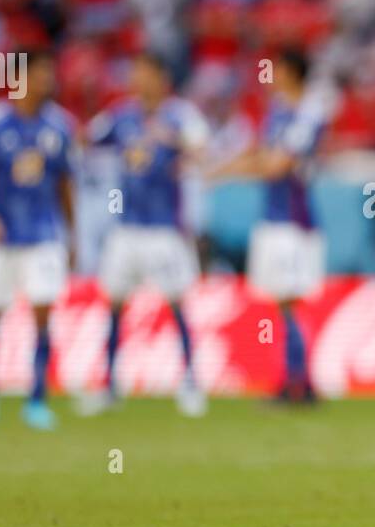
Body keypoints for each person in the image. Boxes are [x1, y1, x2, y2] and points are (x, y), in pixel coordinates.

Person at [81, 53, 208, 416]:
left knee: (177, 302)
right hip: (126, 227)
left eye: (142, 72)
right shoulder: (121, 115)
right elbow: (87, 139)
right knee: (115, 303)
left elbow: (199, 151)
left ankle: (189, 382)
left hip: (164, 228)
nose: (136, 78)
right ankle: (108, 385)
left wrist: (172, 141)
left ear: (160, 76)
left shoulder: (180, 116)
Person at [0, 51, 76, 431]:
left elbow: (65, 184)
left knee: (44, 313)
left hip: (43, 234)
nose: (48, 79)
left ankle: (37, 399)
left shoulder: (60, 126)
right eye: (42, 72)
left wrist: (71, 232)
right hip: (1, 238)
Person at [215, 53, 327, 403]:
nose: (271, 76)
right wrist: (219, 167)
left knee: (290, 302)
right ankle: (298, 382)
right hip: (274, 220)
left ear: (293, 73)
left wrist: (228, 172)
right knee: (283, 304)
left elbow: (279, 164)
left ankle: (296, 383)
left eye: (278, 70)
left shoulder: (309, 113)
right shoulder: (277, 111)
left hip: (295, 223)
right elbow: (261, 153)